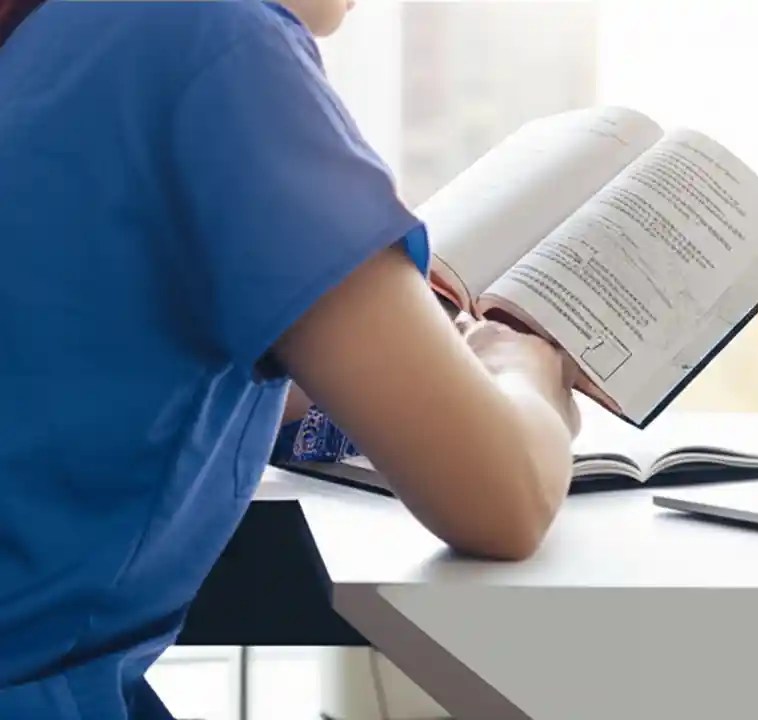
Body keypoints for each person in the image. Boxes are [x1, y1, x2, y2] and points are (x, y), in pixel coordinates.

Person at [0, 1, 581, 718]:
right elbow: (505, 498)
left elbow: (96, 367)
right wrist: (526, 365)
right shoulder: (216, 37)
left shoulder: (70, 31)